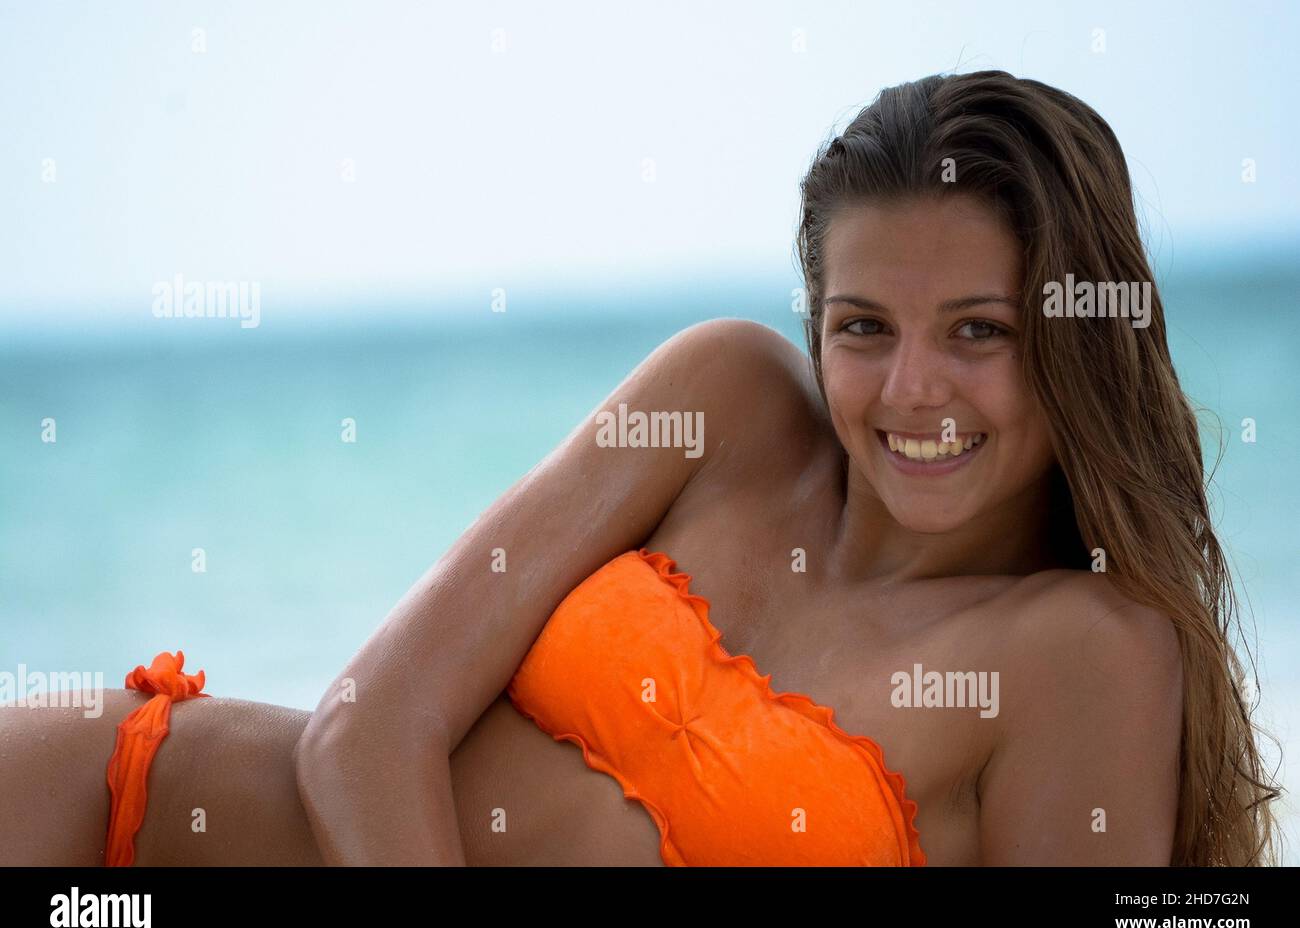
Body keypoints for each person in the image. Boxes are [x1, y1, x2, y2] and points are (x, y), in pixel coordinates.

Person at [0, 69, 1280, 867]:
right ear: (813, 325)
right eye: (862, 328)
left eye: (980, 332)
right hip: (102, 800)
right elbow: (361, 729)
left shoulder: (1086, 652)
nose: (910, 393)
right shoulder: (725, 402)